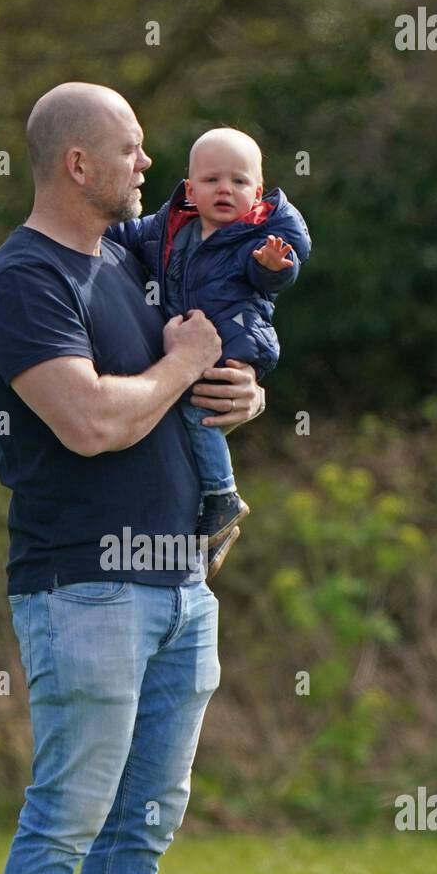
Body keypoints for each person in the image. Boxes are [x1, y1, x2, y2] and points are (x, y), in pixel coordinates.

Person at [0, 82, 266, 874]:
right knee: (66, 818)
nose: (151, 165)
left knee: (141, 821)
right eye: (133, 150)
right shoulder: (21, 280)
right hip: (84, 588)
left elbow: (215, 326)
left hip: (180, 587)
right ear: (77, 165)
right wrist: (185, 363)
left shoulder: (134, 258)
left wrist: (240, 383)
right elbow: (91, 420)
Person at [107, 127, 311, 577]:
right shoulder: (171, 227)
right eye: (212, 180)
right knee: (189, 418)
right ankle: (208, 517)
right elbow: (132, 235)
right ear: (190, 188)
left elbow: (272, 276)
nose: (225, 190)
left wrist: (273, 267)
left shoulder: (251, 237)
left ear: (257, 193)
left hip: (234, 336)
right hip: (193, 339)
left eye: (239, 182)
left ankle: (221, 495)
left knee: (197, 409)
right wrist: (101, 225)